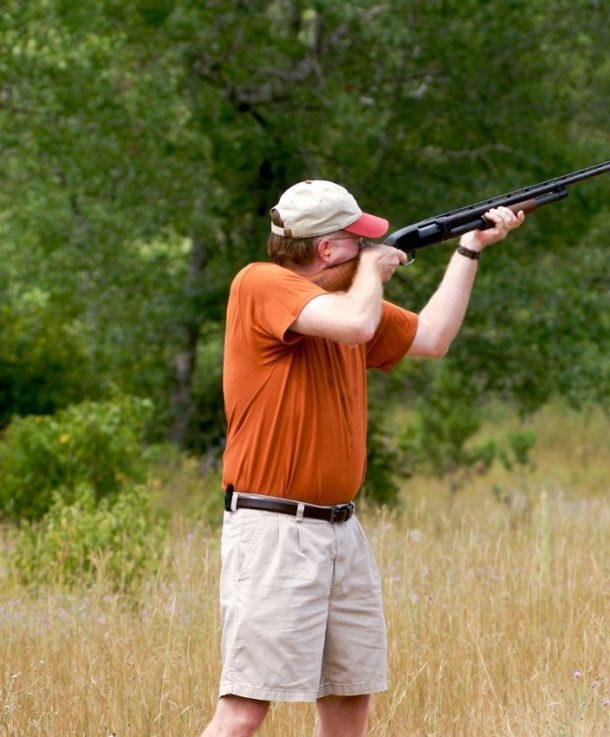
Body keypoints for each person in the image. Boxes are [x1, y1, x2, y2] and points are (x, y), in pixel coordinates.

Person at [200, 179, 523, 737]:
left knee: (350, 700)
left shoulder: (346, 305)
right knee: (245, 710)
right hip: (276, 531)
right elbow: (357, 324)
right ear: (327, 249)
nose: (369, 249)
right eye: (358, 241)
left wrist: (469, 249)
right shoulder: (260, 283)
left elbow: (433, 337)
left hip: (340, 531)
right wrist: (373, 271)